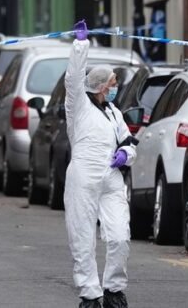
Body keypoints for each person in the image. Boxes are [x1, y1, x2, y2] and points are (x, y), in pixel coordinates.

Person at [64, 19, 136, 308]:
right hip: (83, 176)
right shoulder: (78, 106)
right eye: (114, 83)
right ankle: (90, 294)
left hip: (111, 176)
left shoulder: (114, 112)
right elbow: (73, 78)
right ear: (103, 86)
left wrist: (126, 155)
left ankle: (114, 289)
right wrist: (80, 45)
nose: (117, 87)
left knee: (119, 235)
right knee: (83, 237)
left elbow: (129, 141)